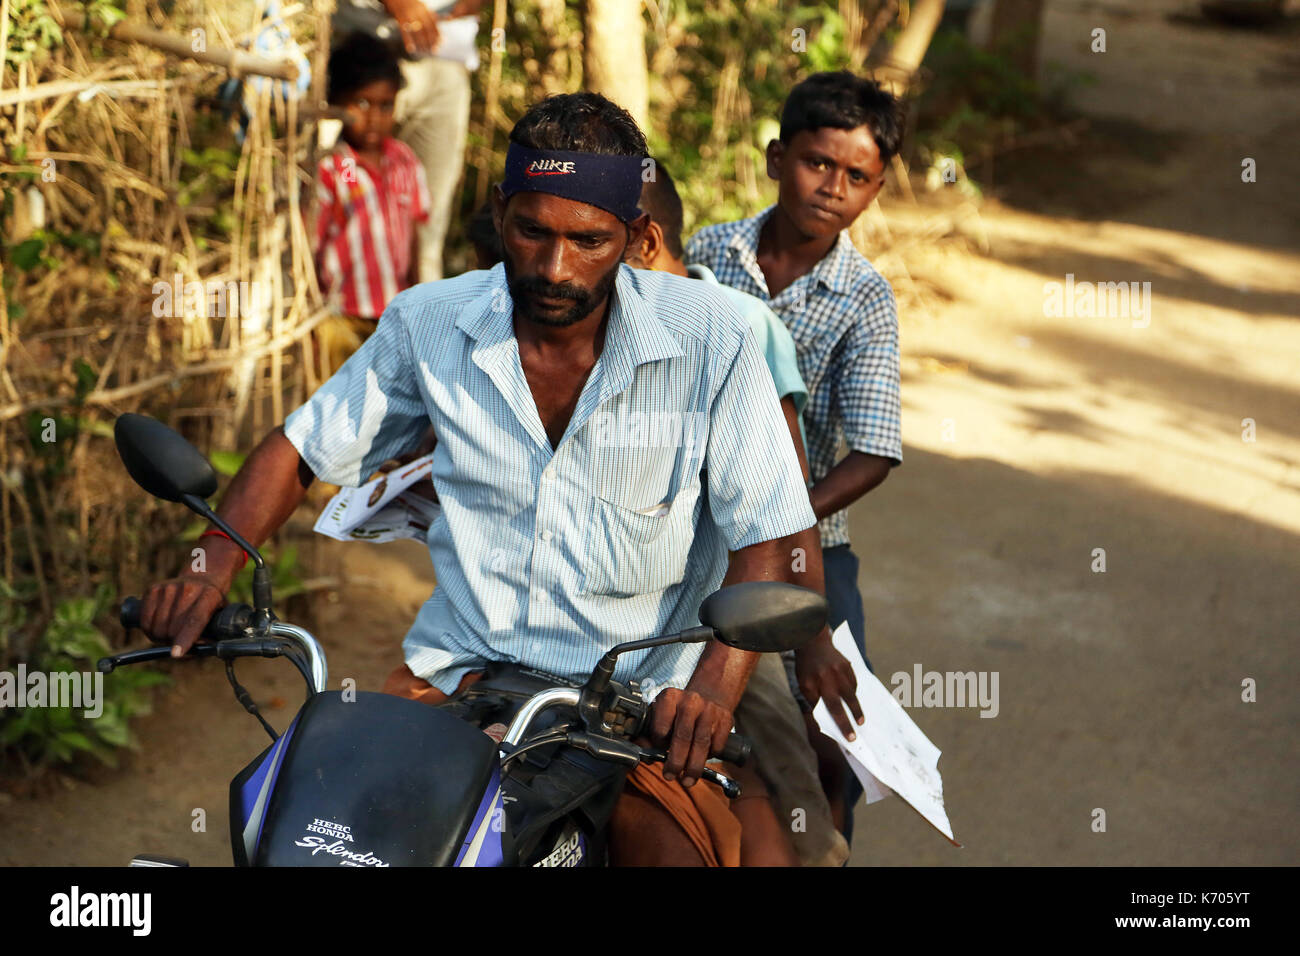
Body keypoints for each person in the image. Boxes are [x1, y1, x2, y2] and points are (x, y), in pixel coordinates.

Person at [138, 92, 847, 867]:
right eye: (532, 232)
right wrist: (209, 567)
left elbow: (769, 537)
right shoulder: (428, 323)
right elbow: (301, 448)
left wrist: (712, 687)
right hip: (455, 680)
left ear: (638, 237)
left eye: (588, 241)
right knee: (314, 831)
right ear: (502, 211)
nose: (553, 267)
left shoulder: (716, 339)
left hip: (636, 710)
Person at [685, 70, 905, 843]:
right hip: (694, 533)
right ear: (777, 157)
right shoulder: (706, 253)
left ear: (876, 190)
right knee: (685, 710)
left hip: (816, 548)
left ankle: (825, 850)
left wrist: (778, 516)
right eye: (818, 163)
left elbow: (875, 450)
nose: (832, 188)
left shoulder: (865, 297)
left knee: (834, 728)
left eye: (857, 177)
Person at [624, 158, 850, 866]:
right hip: (636, 619)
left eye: (598, 245)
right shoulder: (613, 329)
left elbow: (786, 506)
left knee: (783, 782)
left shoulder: (743, 325)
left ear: (645, 239)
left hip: (727, 610)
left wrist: (808, 635)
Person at [313, 32, 431, 375]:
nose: (373, 117)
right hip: (340, 316)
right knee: (338, 404)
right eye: (361, 103)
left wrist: (416, 299)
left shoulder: (405, 162)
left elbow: (413, 235)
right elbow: (312, 245)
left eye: (384, 105)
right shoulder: (334, 167)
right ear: (338, 101)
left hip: (394, 314)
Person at [381, 0, 487, 282]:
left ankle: (423, 319)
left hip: (448, 59)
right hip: (363, 55)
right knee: (338, 191)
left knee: (428, 224)